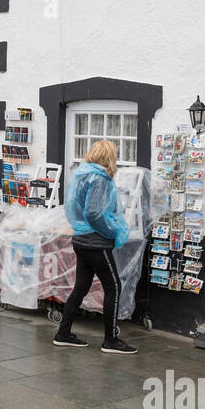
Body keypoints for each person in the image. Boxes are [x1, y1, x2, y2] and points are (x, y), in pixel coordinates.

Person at [54, 139, 136, 354]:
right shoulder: (100, 178)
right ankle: (111, 340)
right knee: (114, 287)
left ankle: (63, 334)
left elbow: (77, 208)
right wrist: (112, 232)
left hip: (80, 239)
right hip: (96, 242)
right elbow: (94, 213)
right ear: (109, 157)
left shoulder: (81, 174)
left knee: (80, 287)